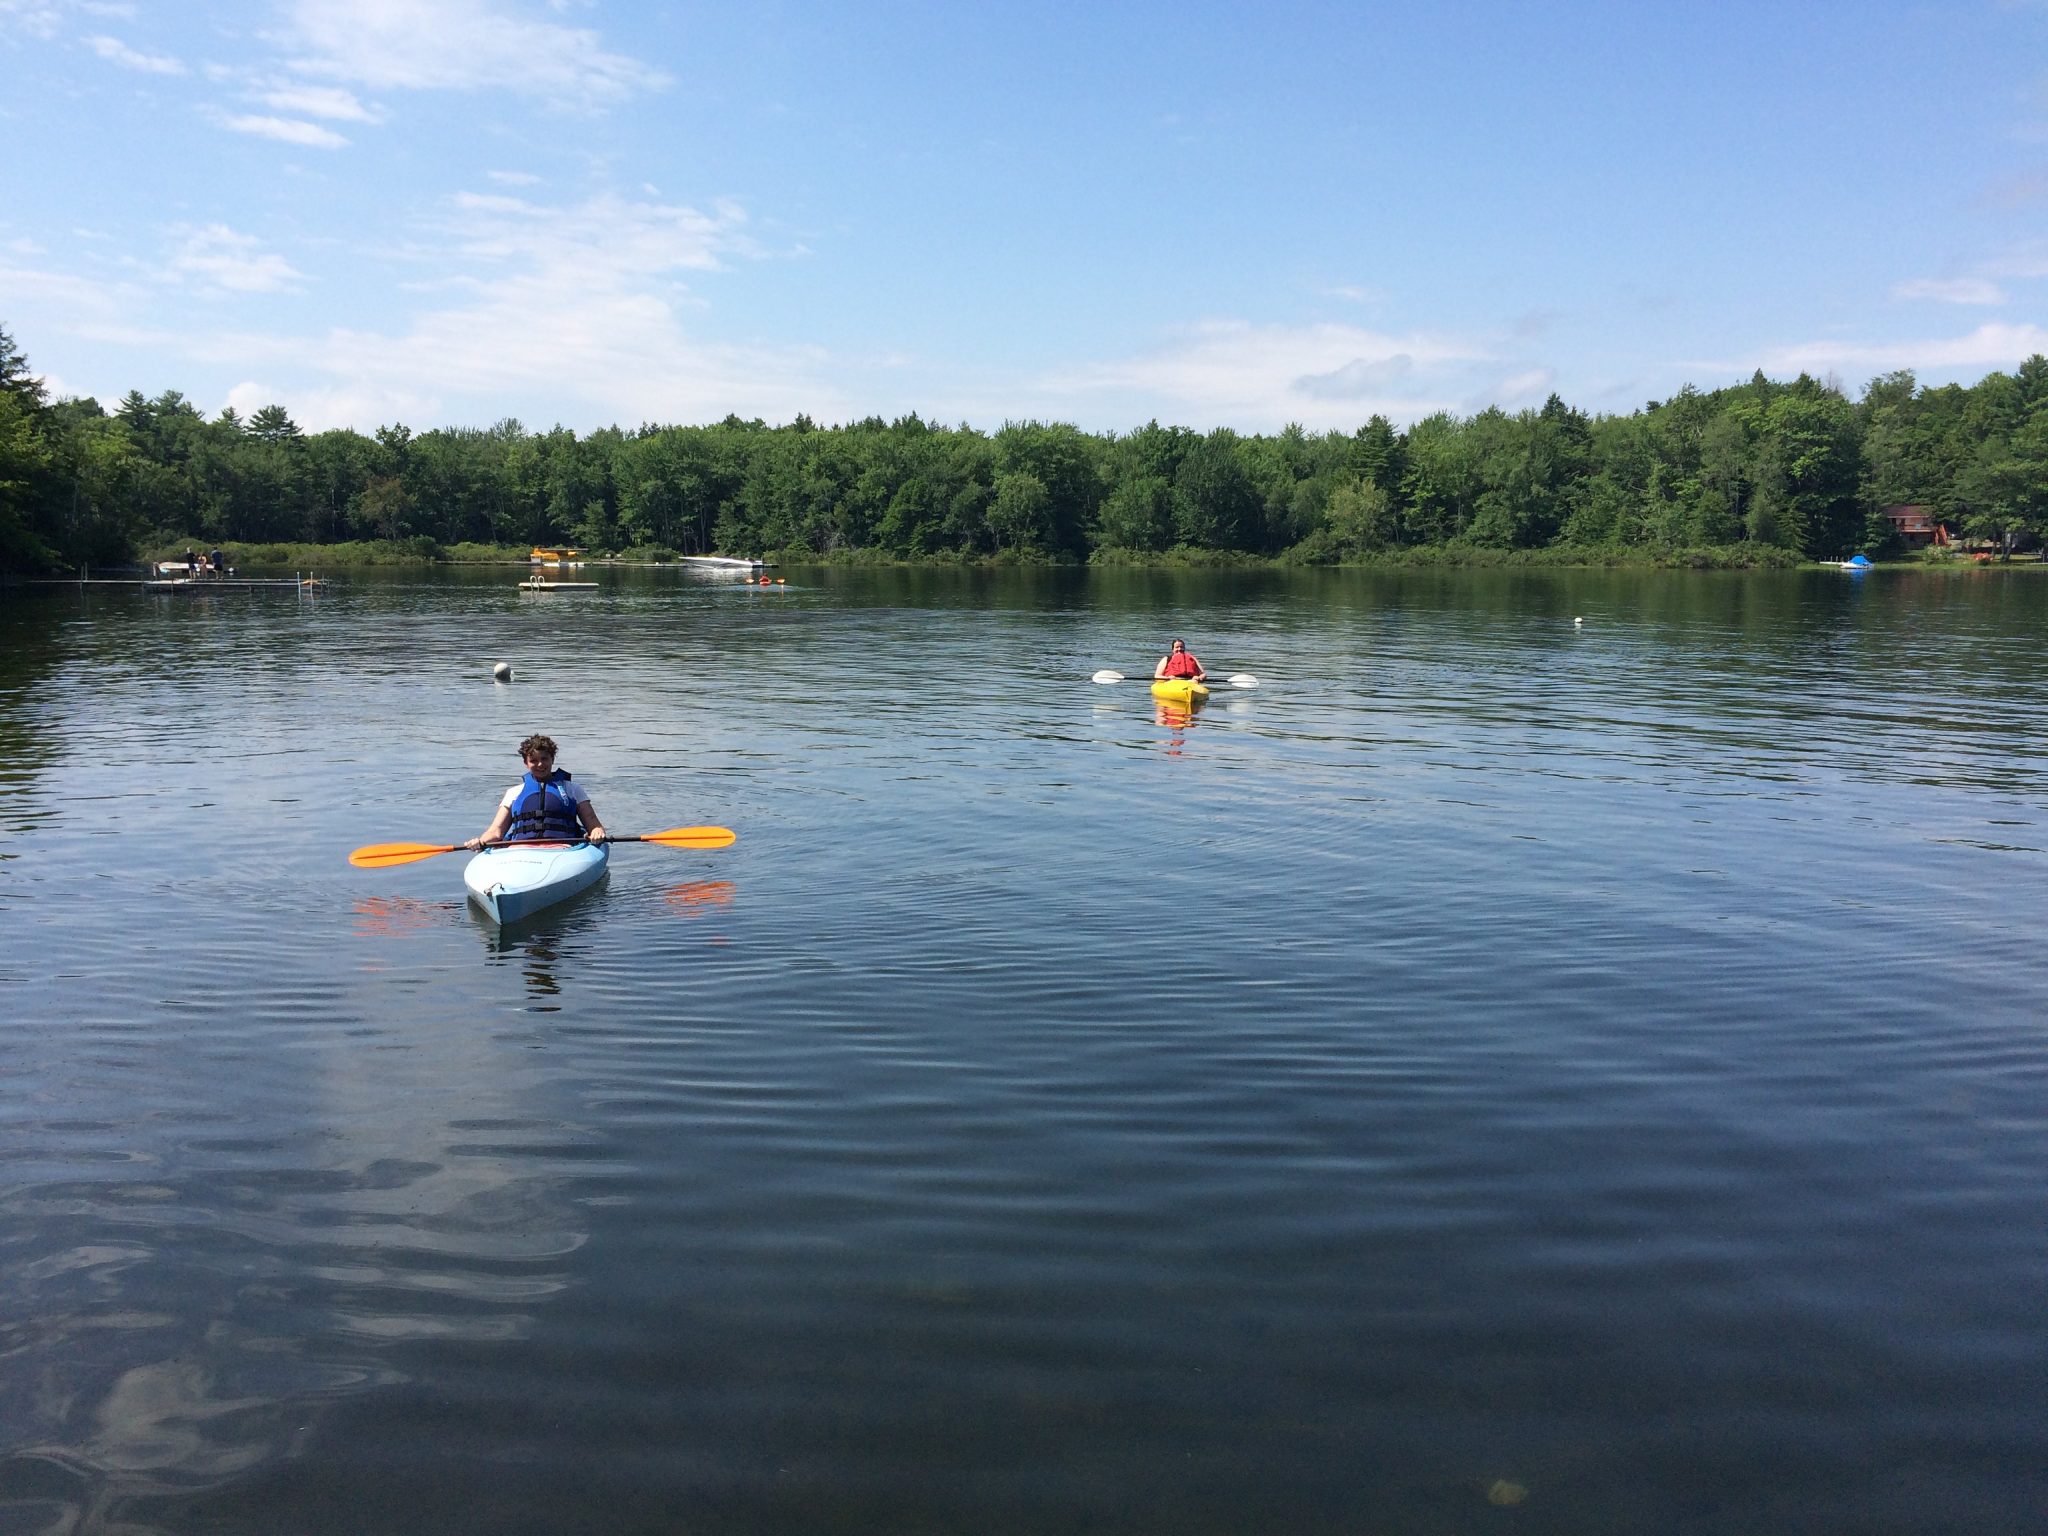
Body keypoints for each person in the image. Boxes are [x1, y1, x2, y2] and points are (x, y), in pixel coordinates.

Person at [464, 734, 607, 850]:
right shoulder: (513, 793)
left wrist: (597, 832)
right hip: (520, 850)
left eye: (544, 759)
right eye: (533, 760)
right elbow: (496, 831)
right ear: (526, 763)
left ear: (552, 759)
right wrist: (480, 841)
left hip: (563, 849)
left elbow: (593, 824)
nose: (540, 764)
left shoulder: (573, 789)